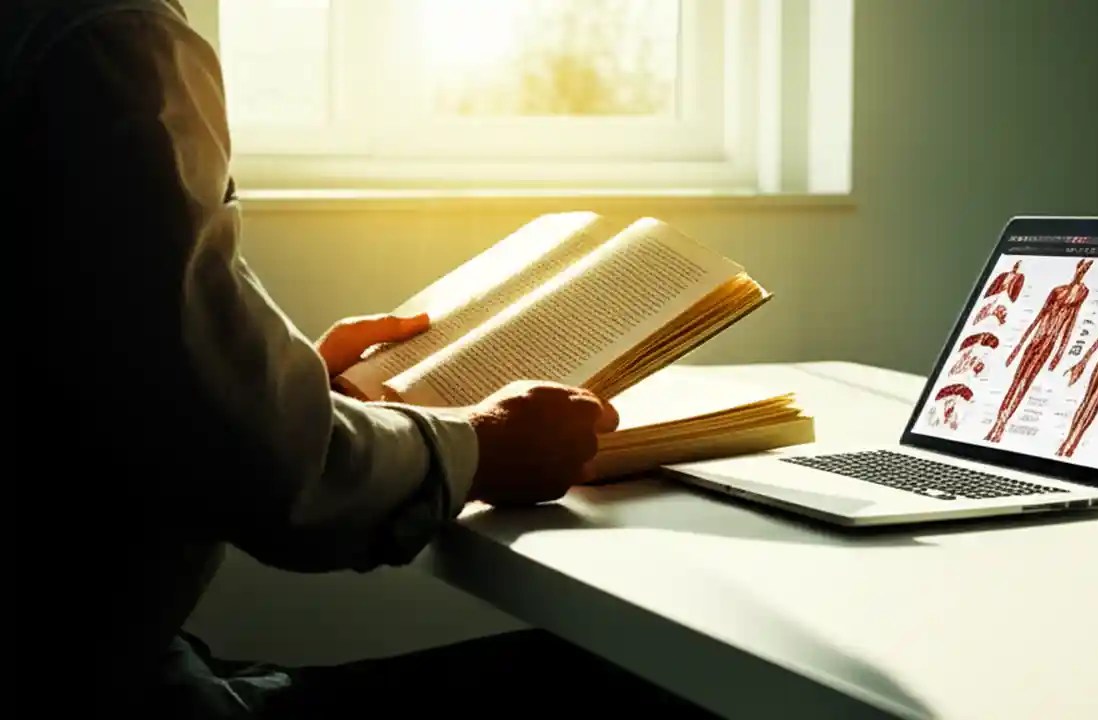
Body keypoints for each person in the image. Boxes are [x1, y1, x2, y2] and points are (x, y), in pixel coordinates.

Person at [3, 0, 715, 716]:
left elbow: (106, 372)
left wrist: (272, 383)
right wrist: (479, 446)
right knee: (656, 683)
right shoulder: (110, 39)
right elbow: (263, 474)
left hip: (110, 653)